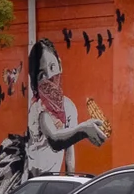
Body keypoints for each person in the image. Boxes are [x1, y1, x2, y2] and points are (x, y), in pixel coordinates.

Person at [23, 39, 107, 179]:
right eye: (42, 75)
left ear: (60, 65)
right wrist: (83, 130)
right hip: (35, 182)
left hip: (53, 180)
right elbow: (54, 139)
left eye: (52, 67)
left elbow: (69, 151)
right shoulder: (39, 109)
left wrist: (70, 180)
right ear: (35, 82)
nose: (50, 77)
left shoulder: (69, 107)